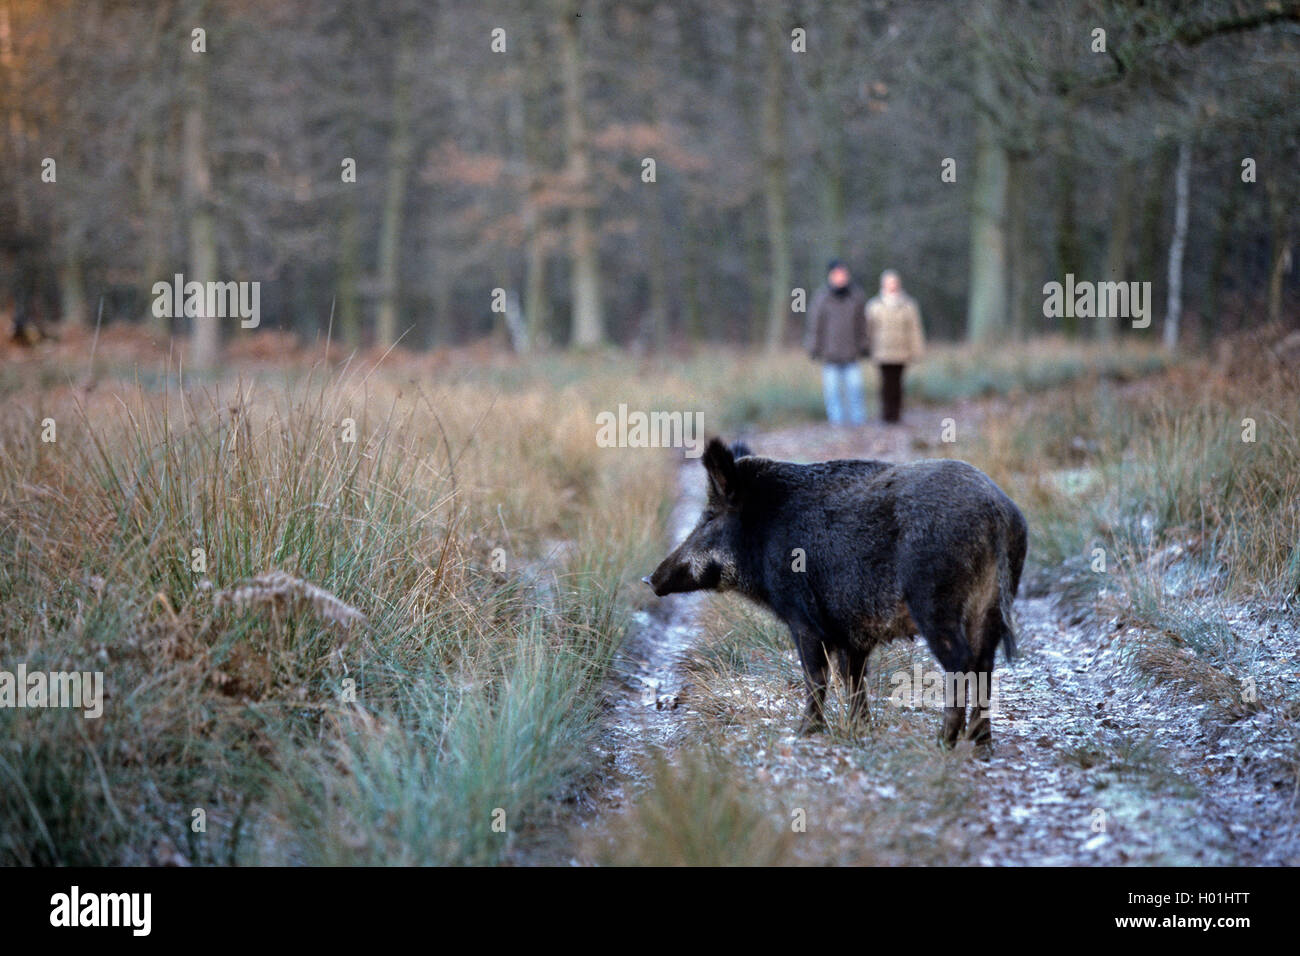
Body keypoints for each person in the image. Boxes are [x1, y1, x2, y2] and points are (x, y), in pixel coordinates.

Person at [805, 259, 868, 426]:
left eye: (843, 274)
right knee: (832, 392)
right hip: (830, 354)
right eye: (837, 274)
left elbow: (862, 324)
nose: (840, 278)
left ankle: (858, 422)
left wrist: (865, 345)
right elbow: (815, 325)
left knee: (856, 389)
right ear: (830, 276)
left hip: (851, 354)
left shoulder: (857, 296)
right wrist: (813, 347)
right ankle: (837, 423)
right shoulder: (821, 298)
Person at [865, 269, 925, 424]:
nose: (891, 285)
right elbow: (868, 329)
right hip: (881, 351)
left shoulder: (908, 305)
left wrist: (917, 350)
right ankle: (886, 415)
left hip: (901, 352)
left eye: (893, 282)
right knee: (885, 384)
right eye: (888, 282)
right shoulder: (874, 305)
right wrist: (866, 347)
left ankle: (896, 414)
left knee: (898, 384)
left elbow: (914, 330)